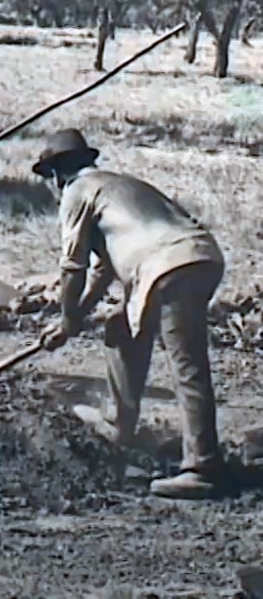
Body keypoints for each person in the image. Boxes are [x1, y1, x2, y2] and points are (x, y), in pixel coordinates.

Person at [33, 129, 228, 500]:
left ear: (57, 174)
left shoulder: (77, 191)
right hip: (197, 257)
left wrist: (66, 318)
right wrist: (73, 319)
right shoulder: (119, 185)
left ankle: (203, 466)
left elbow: (72, 266)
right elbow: (104, 269)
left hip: (168, 267)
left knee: (186, 364)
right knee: (120, 326)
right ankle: (120, 426)